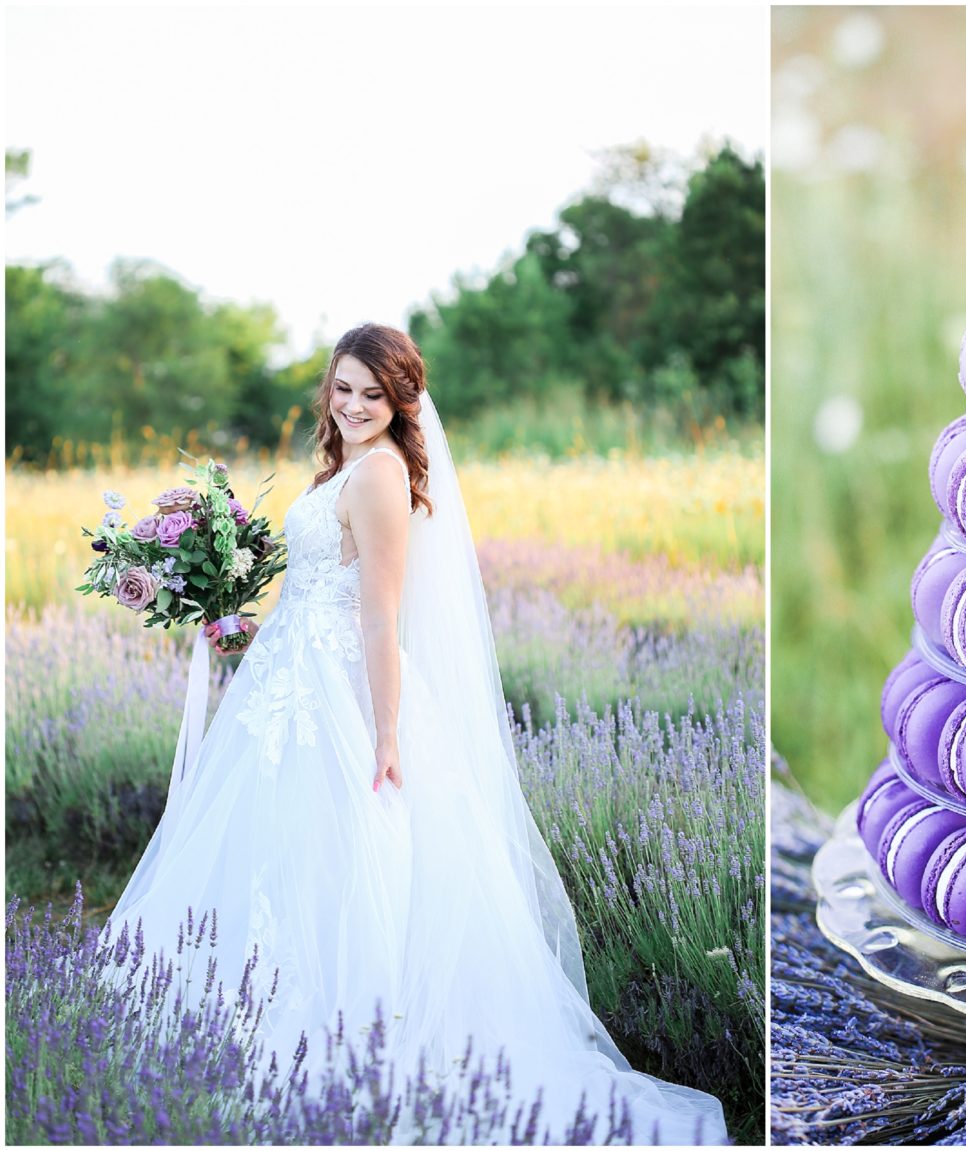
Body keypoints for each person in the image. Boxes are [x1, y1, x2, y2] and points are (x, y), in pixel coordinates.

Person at [109, 323, 728, 1144]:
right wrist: (229, 600)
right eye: (344, 389)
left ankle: (344, 1032)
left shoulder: (379, 475)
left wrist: (387, 732)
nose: (357, 405)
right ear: (328, 390)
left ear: (401, 401)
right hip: (290, 679)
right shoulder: (340, 469)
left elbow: (380, 617)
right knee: (288, 850)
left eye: (375, 393)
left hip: (343, 692)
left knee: (346, 852)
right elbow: (317, 585)